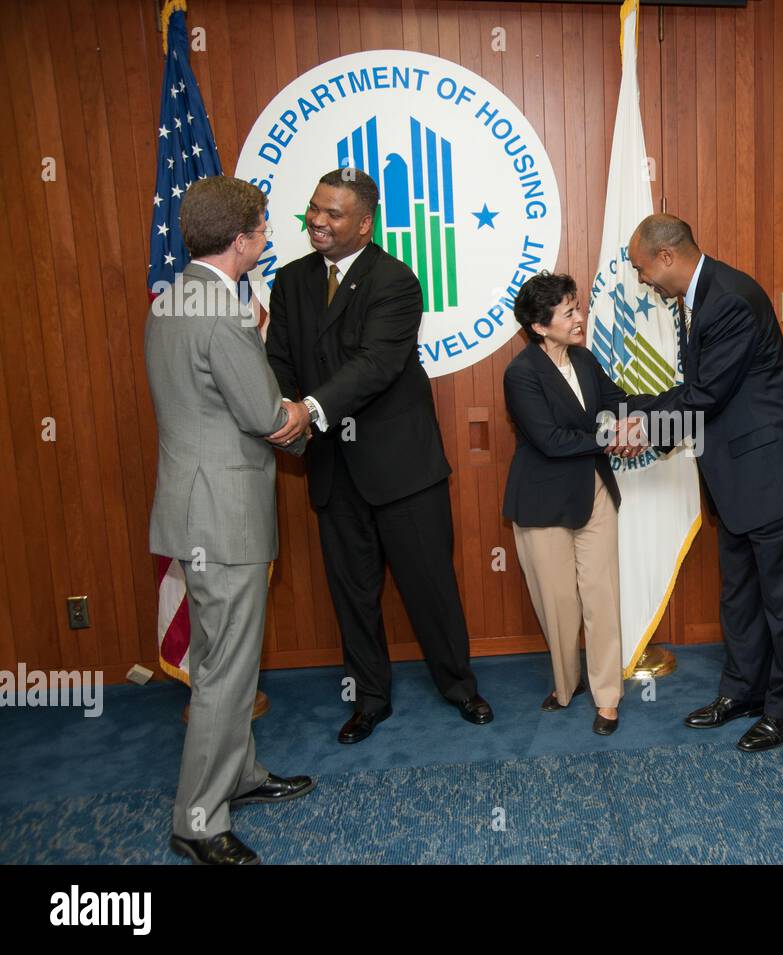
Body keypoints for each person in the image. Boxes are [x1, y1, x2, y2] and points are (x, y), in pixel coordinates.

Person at [265, 168, 492, 744]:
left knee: (430, 587)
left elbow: (375, 365)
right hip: (332, 470)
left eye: (333, 213)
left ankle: (459, 686)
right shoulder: (290, 282)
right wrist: (285, 407)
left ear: (364, 224)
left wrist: (308, 409)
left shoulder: (395, 280)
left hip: (401, 468)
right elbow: (282, 360)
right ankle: (368, 698)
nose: (317, 220)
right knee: (352, 592)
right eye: (314, 208)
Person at [146, 176, 314, 865]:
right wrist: (305, 416)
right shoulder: (221, 311)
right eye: (265, 228)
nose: (268, 238)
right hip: (224, 514)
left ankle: (238, 775)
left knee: (228, 661)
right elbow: (266, 417)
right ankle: (197, 818)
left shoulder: (174, 296)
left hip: (191, 506)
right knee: (223, 671)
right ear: (242, 239)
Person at [626, 214, 783, 752]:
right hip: (736, 479)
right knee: (739, 596)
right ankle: (741, 692)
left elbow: (703, 397)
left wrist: (641, 427)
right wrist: (640, 416)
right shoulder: (703, 296)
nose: (643, 280)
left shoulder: (730, 299)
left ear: (667, 256)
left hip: (775, 477)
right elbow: (696, 390)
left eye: (642, 269)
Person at [502, 273, 654, 735]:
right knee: (559, 603)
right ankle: (567, 686)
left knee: (601, 598)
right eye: (569, 312)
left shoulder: (584, 360)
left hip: (594, 492)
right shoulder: (521, 374)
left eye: (578, 308)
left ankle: (607, 698)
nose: (580, 318)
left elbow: (617, 401)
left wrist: (648, 418)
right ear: (539, 324)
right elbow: (549, 440)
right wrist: (610, 437)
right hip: (542, 502)